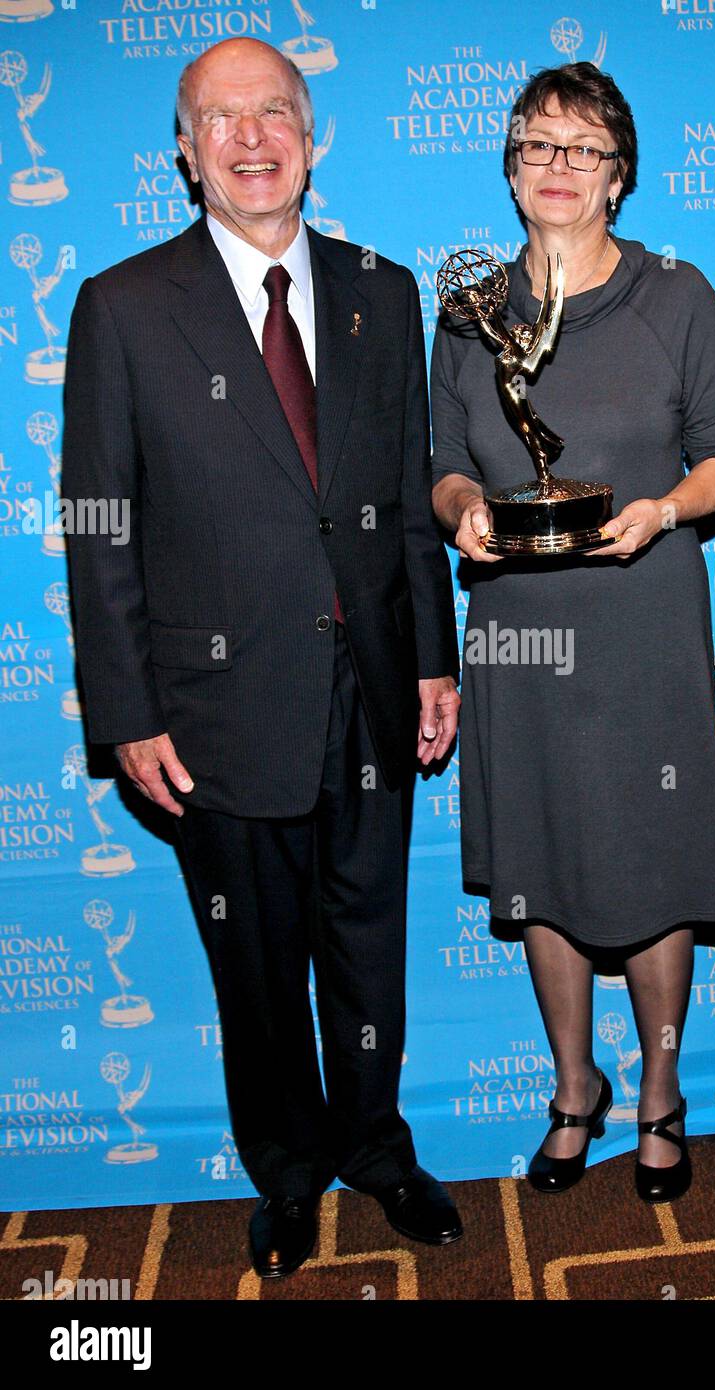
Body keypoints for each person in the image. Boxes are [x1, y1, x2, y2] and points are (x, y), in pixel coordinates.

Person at [62, 37, 463, 1278]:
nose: (251, 137)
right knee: (254, 959)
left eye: (274, 112)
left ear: (313, 135)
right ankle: (286, 1173)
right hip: (214, 705)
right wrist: (125, 710)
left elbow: (406, 502)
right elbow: (100, 527)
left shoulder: (380, 292)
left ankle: (375, 1146)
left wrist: (434, 663)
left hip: (373, 693)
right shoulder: (124, 307)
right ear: (184, 151)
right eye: (220, 118)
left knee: (367, 945)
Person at [431, 62, 715, 1205]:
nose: (555, 168)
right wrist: (463, 511)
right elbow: (445, 462)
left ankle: (661, 1092)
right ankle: (576, 1088)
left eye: (581, 148)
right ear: (509, 169)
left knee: (652, 864)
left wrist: (664, 507)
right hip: (514, 630)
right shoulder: (469, 313)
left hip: (644, 619)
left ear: (618, 174)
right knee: (543, 864)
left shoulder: (677, 295)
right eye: (534, 146)